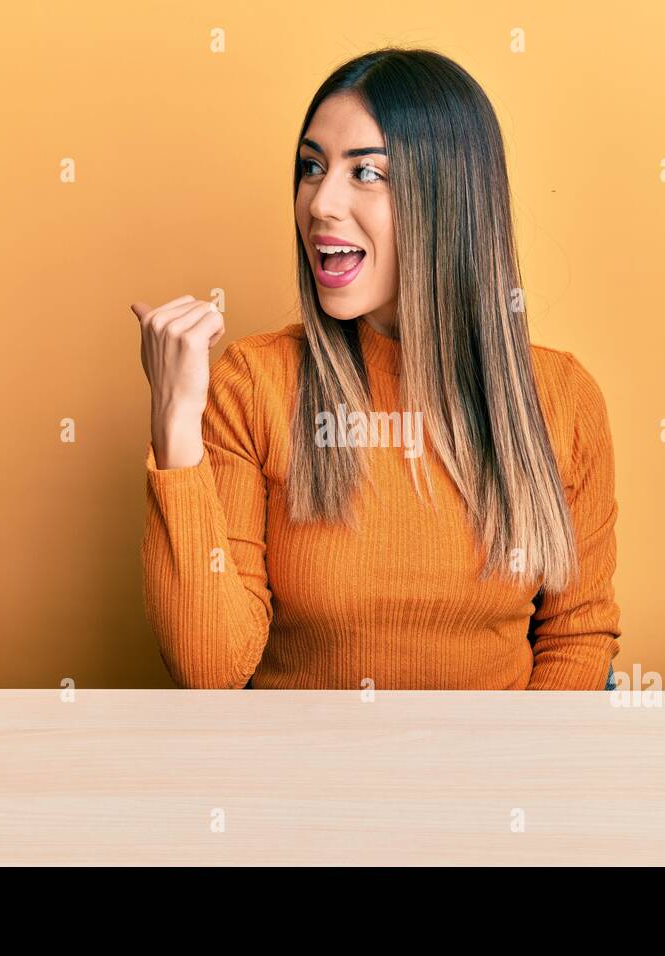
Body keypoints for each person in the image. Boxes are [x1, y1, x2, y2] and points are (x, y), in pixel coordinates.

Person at [132, 48, 621, 690]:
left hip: (493, 780)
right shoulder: (252, 386)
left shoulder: (561, 399)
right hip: (301, 778)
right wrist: (175, 426)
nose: (320, 204)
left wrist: (510, 783)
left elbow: (576, 638)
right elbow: (211, 668)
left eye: (367, 172)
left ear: (451, 202)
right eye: (312, 167)